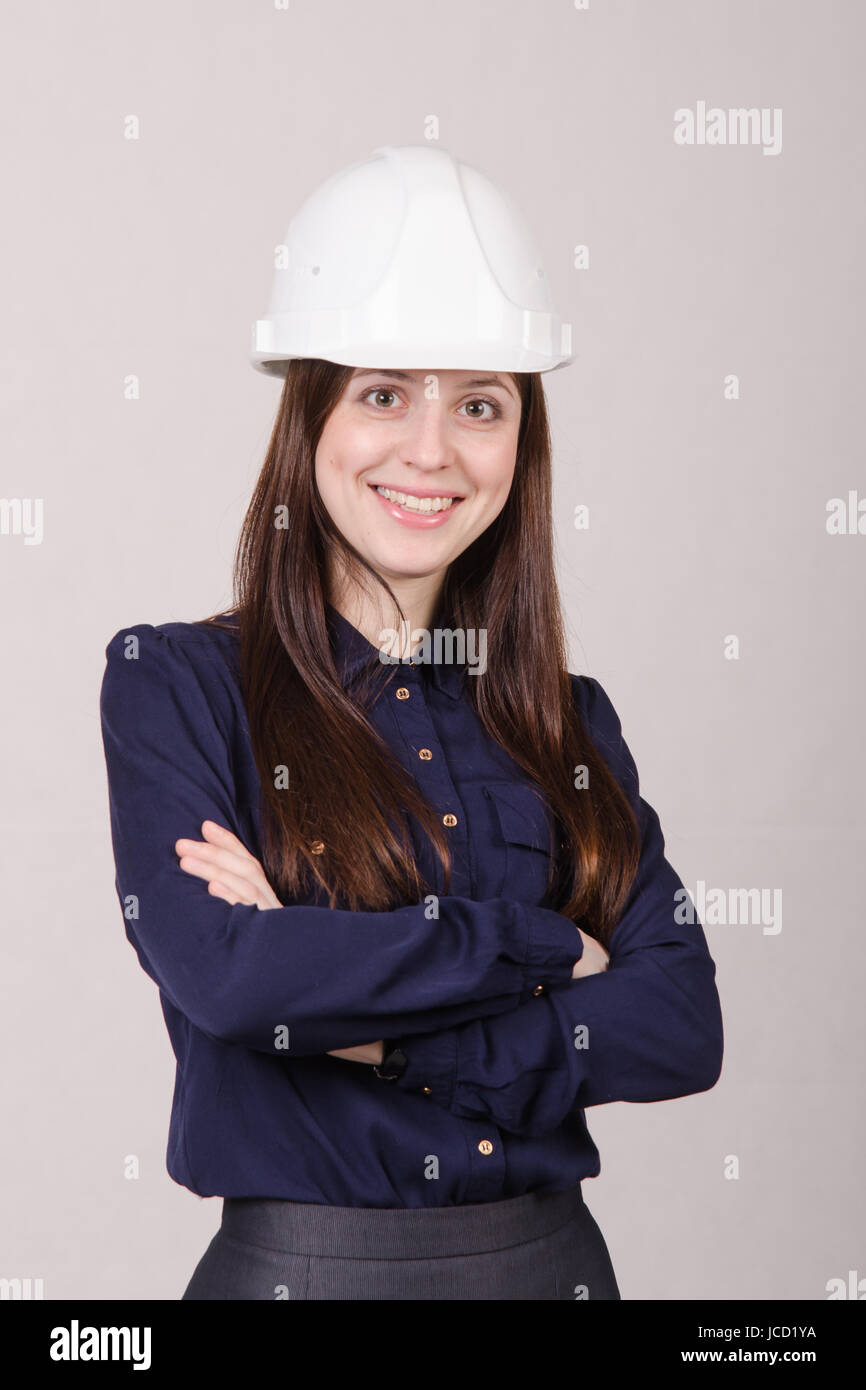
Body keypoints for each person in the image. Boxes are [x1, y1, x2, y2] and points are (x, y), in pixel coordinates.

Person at [99, 144, 723, 1301]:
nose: (429, 451)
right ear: (310, 420)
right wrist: (546, 950)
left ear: (518, 444)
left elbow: (680, 1020)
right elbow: (232, 984)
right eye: (384, 393)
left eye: (478, 404)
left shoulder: (567, 727)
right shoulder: (176, 685)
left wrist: (387, 1035)